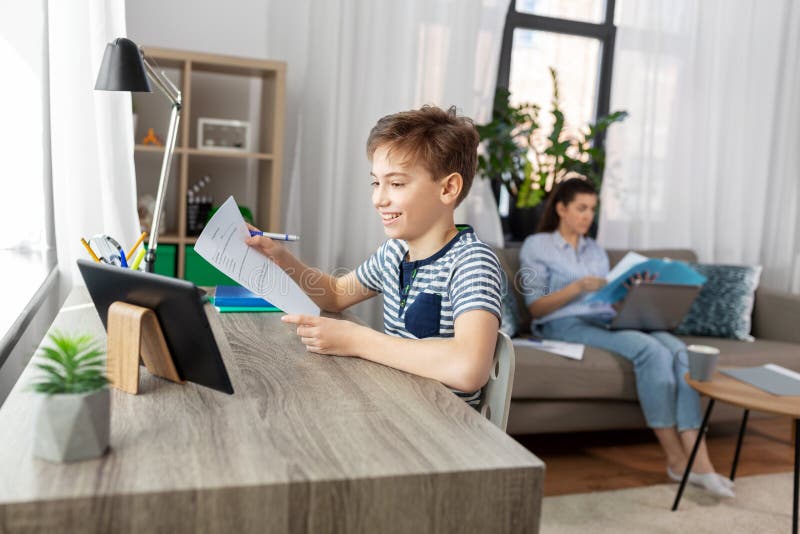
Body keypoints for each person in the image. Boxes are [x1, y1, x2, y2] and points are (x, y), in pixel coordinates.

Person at [246, 105, 503, 407]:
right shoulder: (394, 253)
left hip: (442, 429)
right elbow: (336, 294)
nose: (379, 199)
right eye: (376, 182)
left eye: (396, 183)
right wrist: (281, 257)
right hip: (396, 405)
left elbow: (469, 368)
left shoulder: (472, 262)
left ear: (448, 188)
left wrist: (357, 340)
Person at [519, 177, 734, 497]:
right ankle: (678, 460)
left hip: (606, 317)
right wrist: (577, 287)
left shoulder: (596, 251)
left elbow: (606, 299)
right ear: (561, 208)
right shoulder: (537, 245)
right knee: (650, 351)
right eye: (581, 208)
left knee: (679, 352)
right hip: (564, 323)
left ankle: (699, 459)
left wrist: (633, 294)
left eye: (592, 209)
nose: (588, 216)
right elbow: (536, 307)